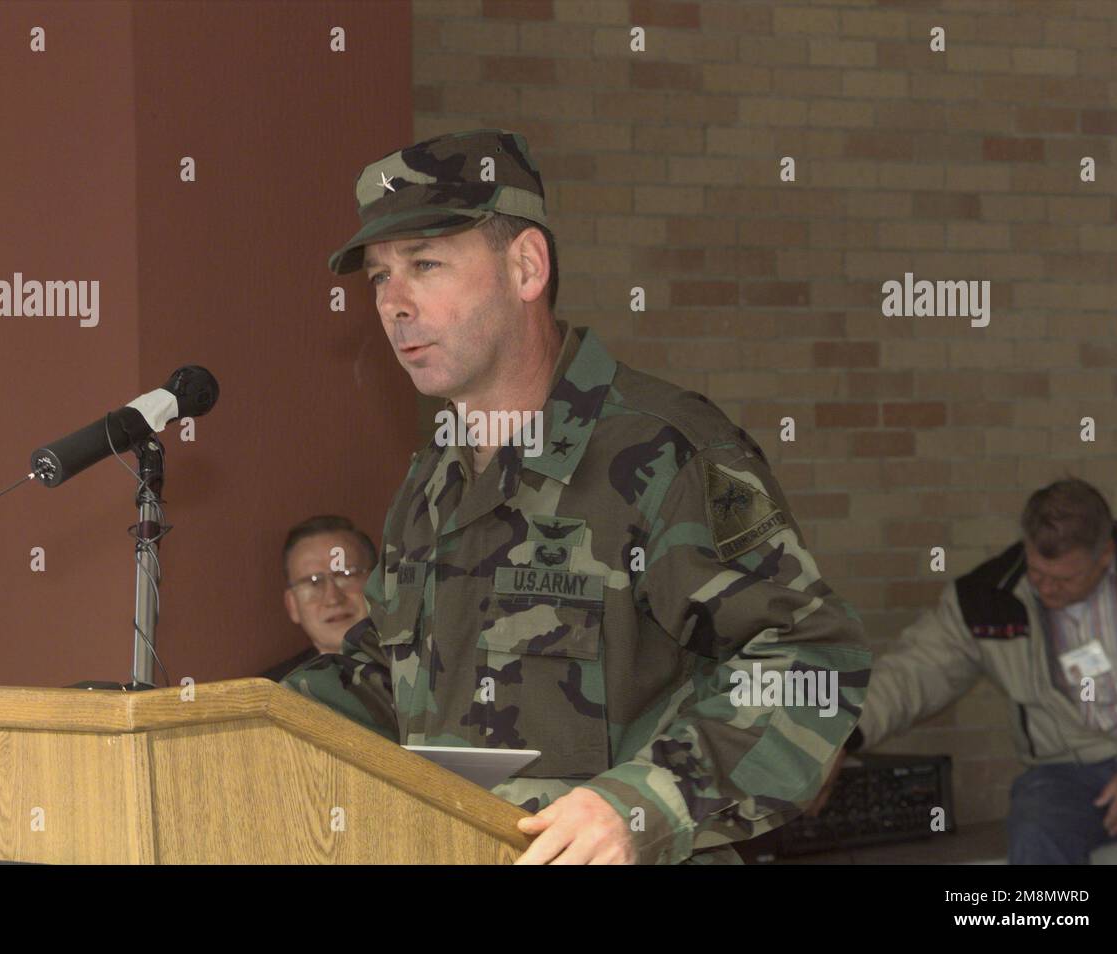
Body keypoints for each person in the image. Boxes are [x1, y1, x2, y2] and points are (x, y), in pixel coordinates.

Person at [283, 128, 871, 865]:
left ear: (526, 267)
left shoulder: (665, 449)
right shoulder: (433, 478)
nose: (392, 304)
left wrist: (642, 805)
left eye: (424, 265)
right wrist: (232, 725)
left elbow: (814, 660)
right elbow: (380, 684)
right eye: (377, 277)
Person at [810, 478, 1117, 863]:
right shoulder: (986, 598)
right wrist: (838, 734)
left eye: (1065, 579)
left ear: (1105, 556)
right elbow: (916, 670)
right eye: (1037, 573)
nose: (1047, 589)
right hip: (1065, 773)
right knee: (1035, 829)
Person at [261, 515, 376, 682]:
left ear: (380, 585)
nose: (333, 599)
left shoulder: (421, 673)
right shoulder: (272, 696)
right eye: (313, 582)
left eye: (346, 575)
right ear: (292, 605)